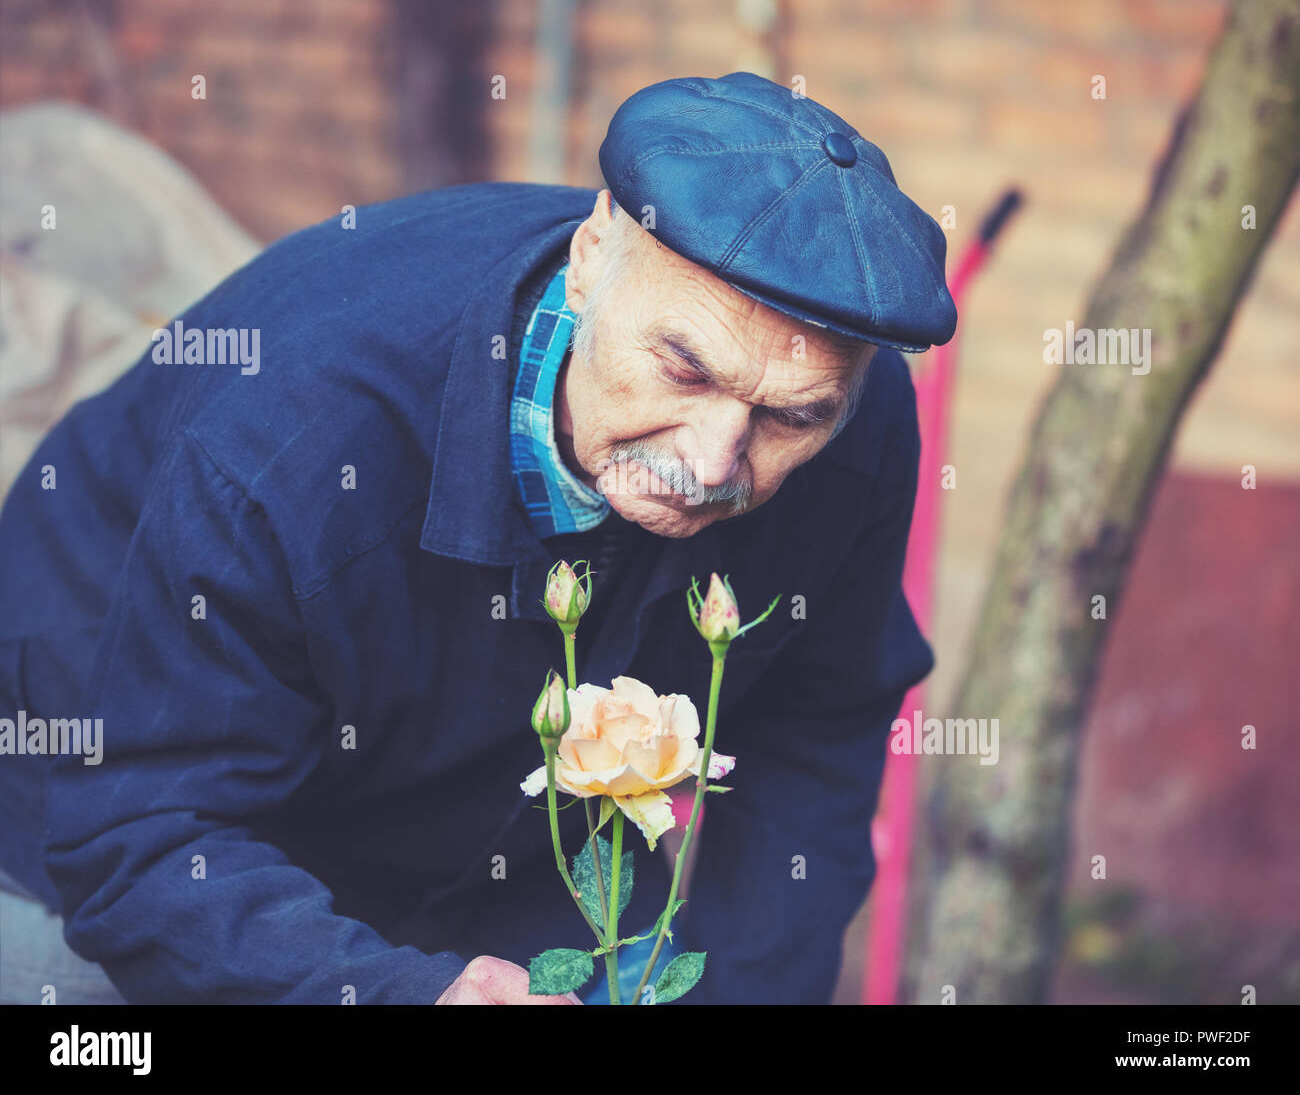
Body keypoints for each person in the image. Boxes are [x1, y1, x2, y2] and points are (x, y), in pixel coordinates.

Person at [0, 72, 954, 1004]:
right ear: (591, 256)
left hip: (494, 832)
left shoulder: (849, 419)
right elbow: (142, 834)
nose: (712, 463)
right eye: (684, 369)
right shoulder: (296, 436)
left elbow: (818, 726)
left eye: (786, 420)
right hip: (117, 800)